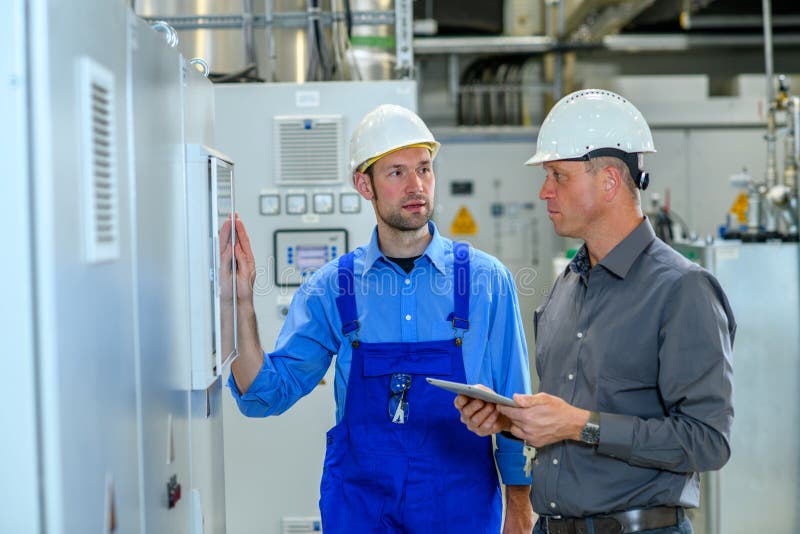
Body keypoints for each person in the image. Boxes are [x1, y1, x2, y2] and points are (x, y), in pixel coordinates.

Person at [221, 104, 534, 533]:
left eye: (424, 169)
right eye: (396, 173)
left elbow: (515, 399)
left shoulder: (485, 281)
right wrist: (238, 303)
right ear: (363, 185)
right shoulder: (333, 287)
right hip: (360, 509)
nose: (416, 185)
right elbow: (265, 395)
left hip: (459, 505)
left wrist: (519, 508)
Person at [454, 89, 736, 534]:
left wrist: (581, 426)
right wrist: (512, 422)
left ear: (608, 180)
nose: (544, 191)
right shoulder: (565, 289)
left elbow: (707, 441)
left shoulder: (682, 290)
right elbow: (567, 423)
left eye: (557, 176)